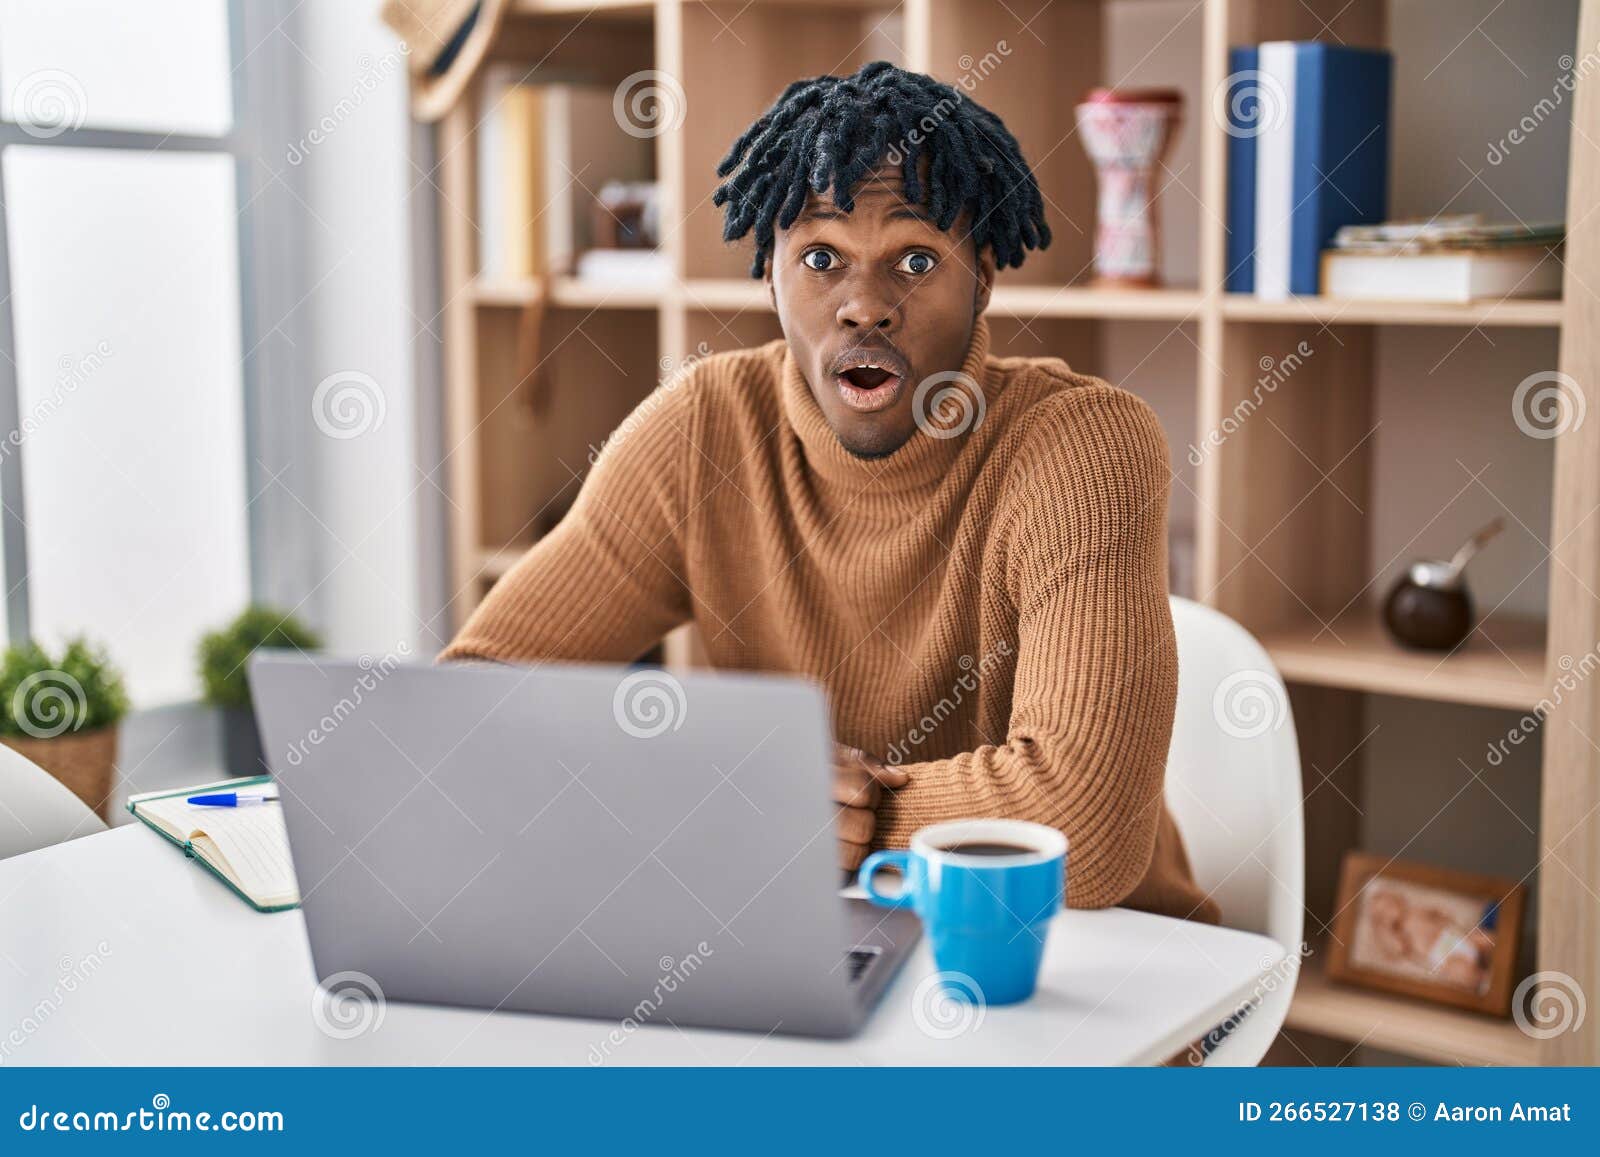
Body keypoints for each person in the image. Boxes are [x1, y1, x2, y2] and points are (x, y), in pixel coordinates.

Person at [439, 61, 1219, 924]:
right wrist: (713, 791)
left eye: (916, 259)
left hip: (1093, 960)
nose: (864, 307)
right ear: (767, 274)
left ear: (985, 279)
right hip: (820, 934)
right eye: (820, 258)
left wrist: (806, 812)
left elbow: (1086, 827)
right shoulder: (704, 430)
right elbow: (468, 708)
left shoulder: (1081, 446)